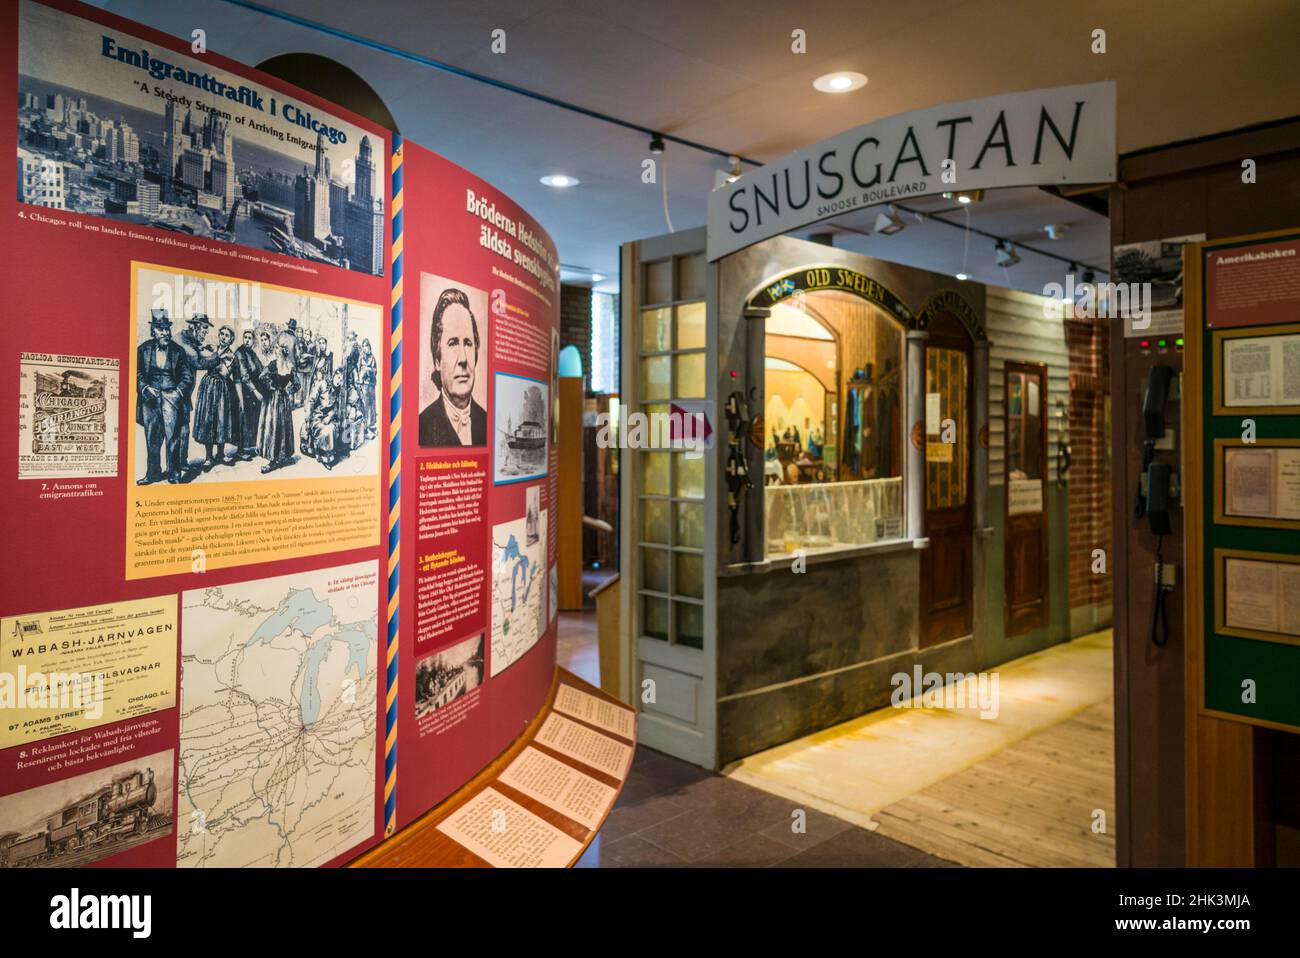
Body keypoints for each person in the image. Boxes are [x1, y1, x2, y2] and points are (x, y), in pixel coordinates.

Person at [418, 288, 486, 447]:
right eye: (453, 343)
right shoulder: (421, 427)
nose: (463, 358)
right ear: (437, 359)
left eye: (468, 343)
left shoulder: (487, 421)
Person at [136, 311, 194, 484]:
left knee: (172, 438)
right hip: (150, 399)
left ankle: (174, 474)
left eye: (167, 329)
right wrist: (145, 388)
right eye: (161, 330)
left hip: (171, 398)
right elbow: (136, 373)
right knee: (151, 438)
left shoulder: (179, 352)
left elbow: (187, 378)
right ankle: (152, 473)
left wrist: (177, 393)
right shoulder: (143, 349)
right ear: (153, 331)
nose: (165, 333)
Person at [192, 325, 239, 468]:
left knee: (221, 420)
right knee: (208, 419)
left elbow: (225, 373)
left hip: (222, 389)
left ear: (231, 340)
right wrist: (215, 356)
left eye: (227, 335)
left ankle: (220, 454)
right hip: (208, 387)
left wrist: (217, 359)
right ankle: (208, 457)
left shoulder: (232, 356)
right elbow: (202, 361)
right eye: (222, 334)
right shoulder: (211, 348)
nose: (223, 337)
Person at [258, 332, 297, 473]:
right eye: (276, 350)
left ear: (283, 352)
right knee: (273, 428)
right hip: (273, 401)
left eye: (279, 350)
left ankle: (283, 456)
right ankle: (272, 459)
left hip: (284, 402)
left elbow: (297, 384)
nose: (277, 352)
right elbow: (261, 377)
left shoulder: (289, 366)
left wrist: (288, 390)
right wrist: (271, 387)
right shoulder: (273, 365)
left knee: (283, 427)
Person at [233, 329, 263, 461]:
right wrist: (256, 391)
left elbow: (260, 369)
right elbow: (244, 376)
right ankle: (241, 449)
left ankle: (250, 446)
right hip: (243, 390)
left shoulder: (252, 353)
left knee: (252, 419)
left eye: (250, 338)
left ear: (253, 341)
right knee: (243, 418)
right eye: (245, 337)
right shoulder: (240, 353)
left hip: (252, 391)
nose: (247, 340)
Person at [356, 338, 378, 441]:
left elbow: (375, 370)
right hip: (363, 385)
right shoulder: (361, 358)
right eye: (364, 346)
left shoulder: (372, 358)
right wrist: (361, 374)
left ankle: (372, 427)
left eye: (367, 346)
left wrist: (369, 370)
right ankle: (365, 429)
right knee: (365, 405)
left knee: (372, 406)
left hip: (371, 385)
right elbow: (358, 369)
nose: (366, 348)